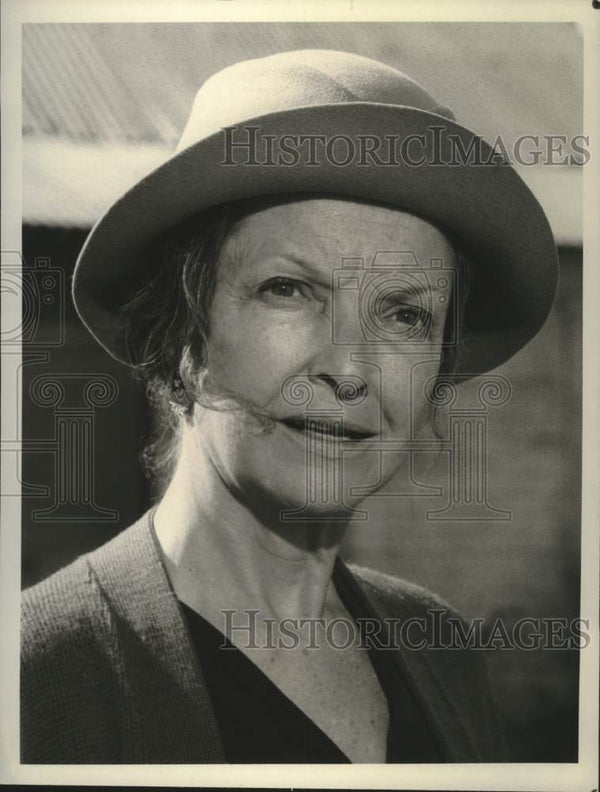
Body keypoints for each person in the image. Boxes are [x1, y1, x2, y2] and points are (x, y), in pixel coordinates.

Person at [20, 49, 558, 764]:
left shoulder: (441, 650)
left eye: (404, 315)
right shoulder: (39, 678)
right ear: (182, 335)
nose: (350, 367)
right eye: (290, 290)